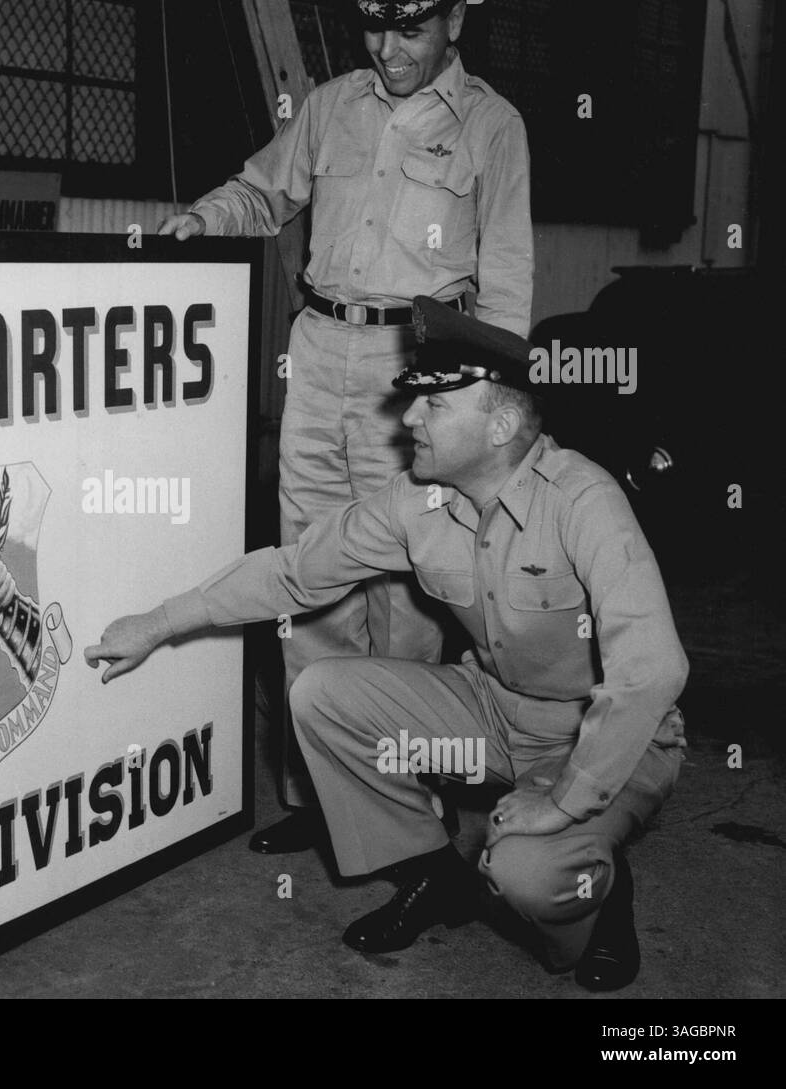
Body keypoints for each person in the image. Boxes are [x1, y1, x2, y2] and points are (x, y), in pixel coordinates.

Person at [84, 297, 687, 991]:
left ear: (502, 423)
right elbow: (291, 573)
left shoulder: (584, 499)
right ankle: (436, 876)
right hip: (494, 712)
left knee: (527, 872)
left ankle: (599, 886)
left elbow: (652, 669)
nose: (408, 420)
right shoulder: (416, 502)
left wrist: (565, 800)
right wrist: (159, 622)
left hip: (612, 735)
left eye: (434, 406)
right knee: (320, 693)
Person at [158, 0, 533, 855]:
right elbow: (262, 189)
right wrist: (205, 219)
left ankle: (404, 825)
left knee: (405, 601)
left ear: (455, 22)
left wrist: (484, 415)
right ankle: (323, 801)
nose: (387, 49)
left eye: (409, 29)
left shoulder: (494, 127)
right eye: (373, 28)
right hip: (319, 351)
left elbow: (507, 286)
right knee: (310, 579)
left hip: (415, 367)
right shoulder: (329, 107)